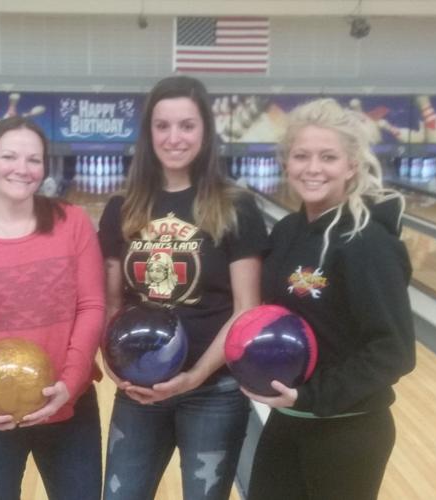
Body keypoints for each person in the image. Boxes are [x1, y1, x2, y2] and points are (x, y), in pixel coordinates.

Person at [97, 75, 268, 500]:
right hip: (139, 391)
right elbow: (111, 303)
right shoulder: (123, 207)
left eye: (187, 125)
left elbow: (246, 309)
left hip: (214, 392)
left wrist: (194, 377)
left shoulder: (235, 207)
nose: (174, 137)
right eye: (163, 125)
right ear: (149, 132)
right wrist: (120, 369)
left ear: (206, 131)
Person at [246, 98, 416, 500]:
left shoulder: (367, 242)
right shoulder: (287, 232)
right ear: (287, 163)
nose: (313, 168)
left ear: (351, 166)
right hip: (290, 419)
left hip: (348, 428)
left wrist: (311, 396)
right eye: (301, 156)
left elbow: (393, 352)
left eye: (328, 157)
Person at [0, 116, 105, 500]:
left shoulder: (72, 223)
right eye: (9, 156)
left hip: (68, 408)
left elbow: (92, 306)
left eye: (34, 160)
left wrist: (71, 383)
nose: (22, 169)